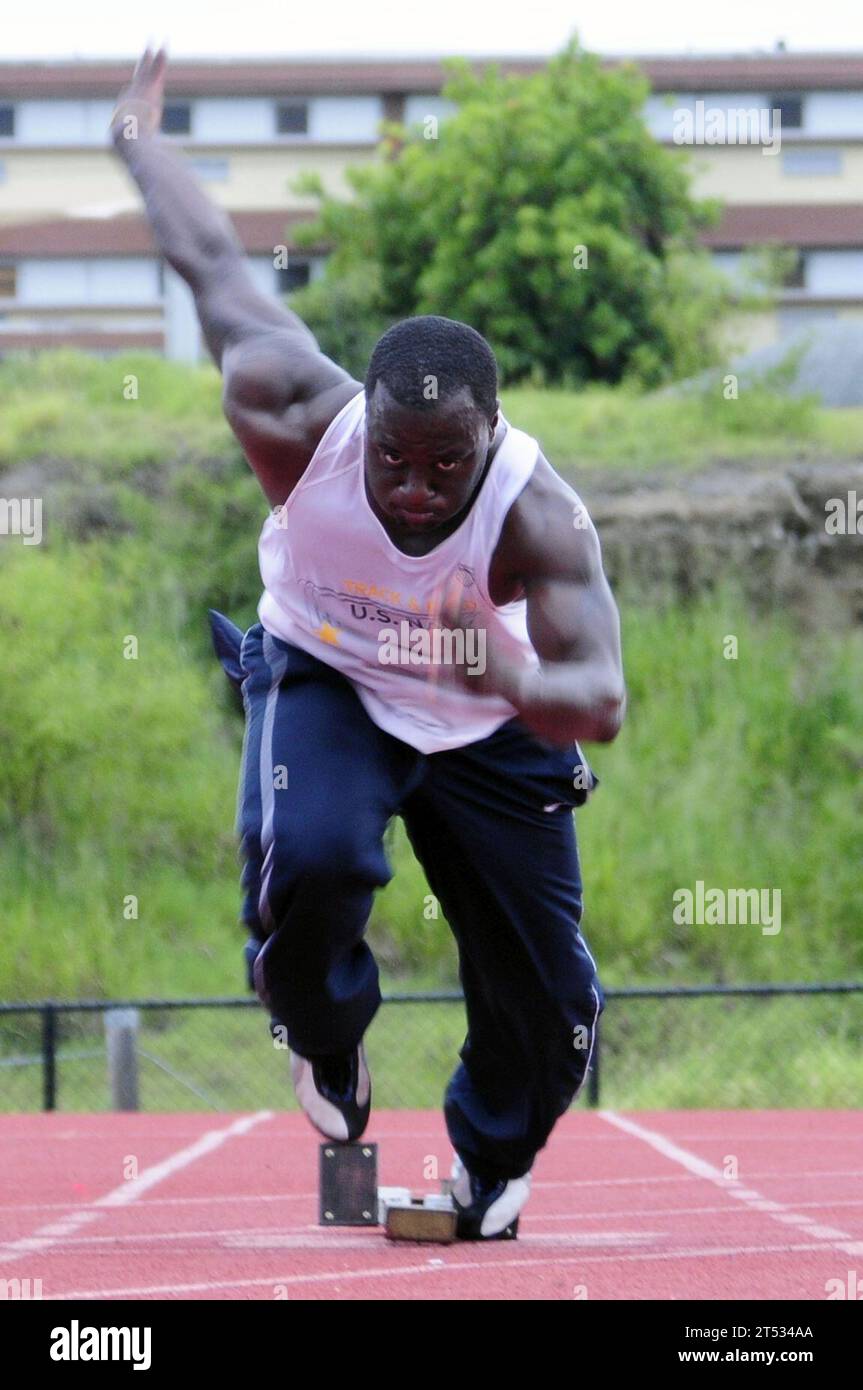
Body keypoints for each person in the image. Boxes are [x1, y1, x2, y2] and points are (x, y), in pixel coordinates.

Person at [111, 49, 626, 1240]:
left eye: (447, 464)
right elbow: (213, 263)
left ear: (494, 435)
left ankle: (488, 1163)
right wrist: (138, 143)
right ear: (364, 426)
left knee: (553, 1004)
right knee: (313, 857)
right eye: (393, 458)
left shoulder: (538, 519)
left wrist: (506, 673)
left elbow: (596, 697)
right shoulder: (290, 409)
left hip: (488, 714)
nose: (411, 489)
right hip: (328, 666)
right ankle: (328, 1045)